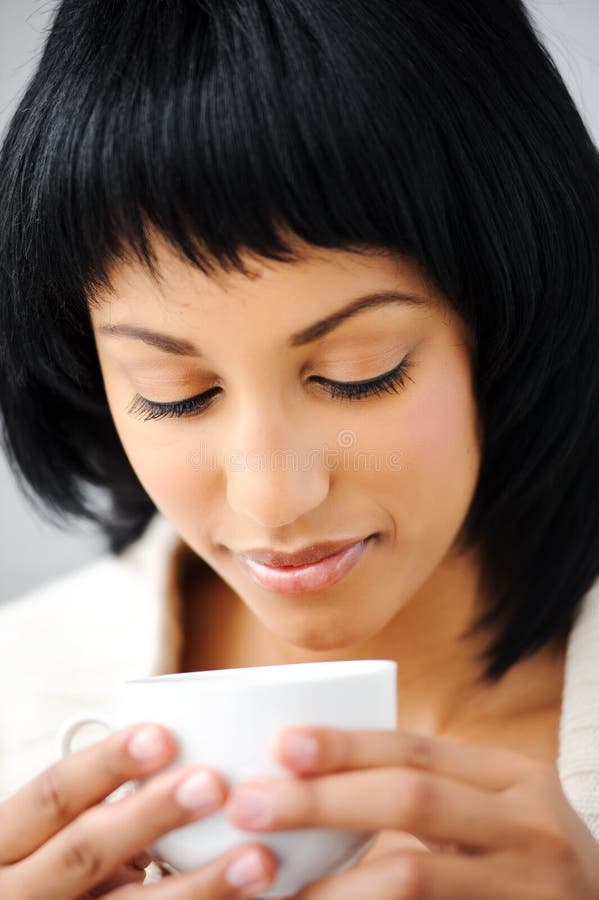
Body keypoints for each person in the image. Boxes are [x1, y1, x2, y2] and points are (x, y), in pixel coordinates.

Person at [1, 0, 599, 896]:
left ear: (507, 320)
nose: (273, 498)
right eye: (177, 394)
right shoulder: (18, 693)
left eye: (359, 375)